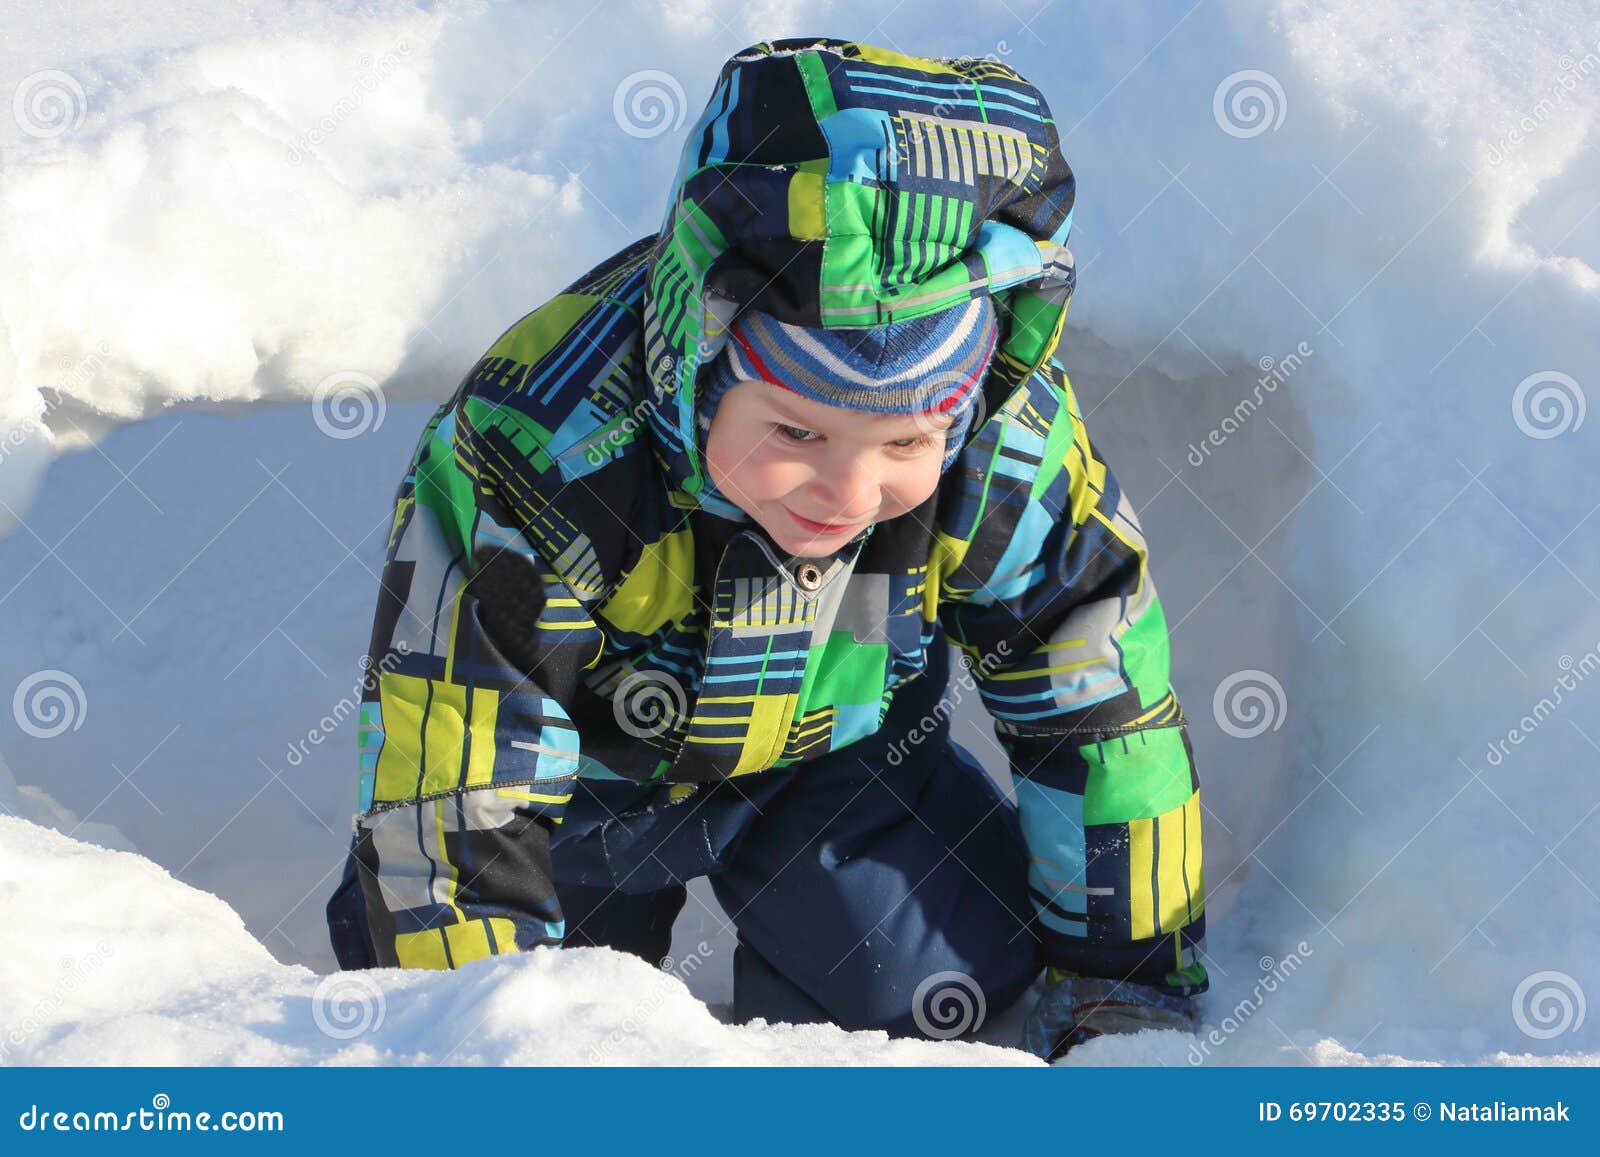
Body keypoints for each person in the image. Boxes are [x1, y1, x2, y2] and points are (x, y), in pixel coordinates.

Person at [325, 36, 1210, 1061]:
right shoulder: (543, 454)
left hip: (840, 751)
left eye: (906, 444)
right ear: (698, 367)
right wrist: (475, 1031)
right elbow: (455, 774)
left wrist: (1123, 972)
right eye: (795, 431)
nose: (849, 492)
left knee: (944, 988)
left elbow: (1096, 696)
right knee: (545, 1012)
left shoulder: (1002, 445)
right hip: (574, 787)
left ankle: (817, 1017)